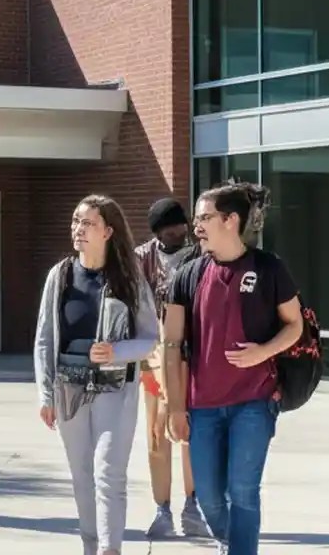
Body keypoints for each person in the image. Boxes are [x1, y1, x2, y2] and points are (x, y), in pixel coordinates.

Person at [162, 182, 305, 555]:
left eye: (205, 217)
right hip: (203, 406)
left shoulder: (269, 268)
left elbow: (295, 325)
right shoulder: (187, 275)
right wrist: (175, 407)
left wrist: (263, 352)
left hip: (254, 402)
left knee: (243, 491)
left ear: (231, 220)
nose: (197, 226)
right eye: (196, 219)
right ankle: (233, 543)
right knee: (208, 498)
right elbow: (171, 344)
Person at [34, 194, 159, 555]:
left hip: (115, 388)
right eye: (76, 221)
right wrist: (45, 393)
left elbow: (151, 339)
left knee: (109, 473)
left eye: (87, 223)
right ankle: (90, 545)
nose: (78, 229)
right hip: (69, 388)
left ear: (108, 231)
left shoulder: (129, 278)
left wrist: (116, 352)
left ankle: (110, 549)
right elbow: (45, 338)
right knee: (82, 477)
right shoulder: (60, 276)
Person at [135, 198, 209, 539]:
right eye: (170, 227)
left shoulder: (201, 256)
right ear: (157, 231)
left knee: (189, 432)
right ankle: (161, 507)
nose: (178, 231)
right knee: (156, 433)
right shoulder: (140, 260)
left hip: (191, 359)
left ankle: (193, 504)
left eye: (181, 225)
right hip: (152, 360)